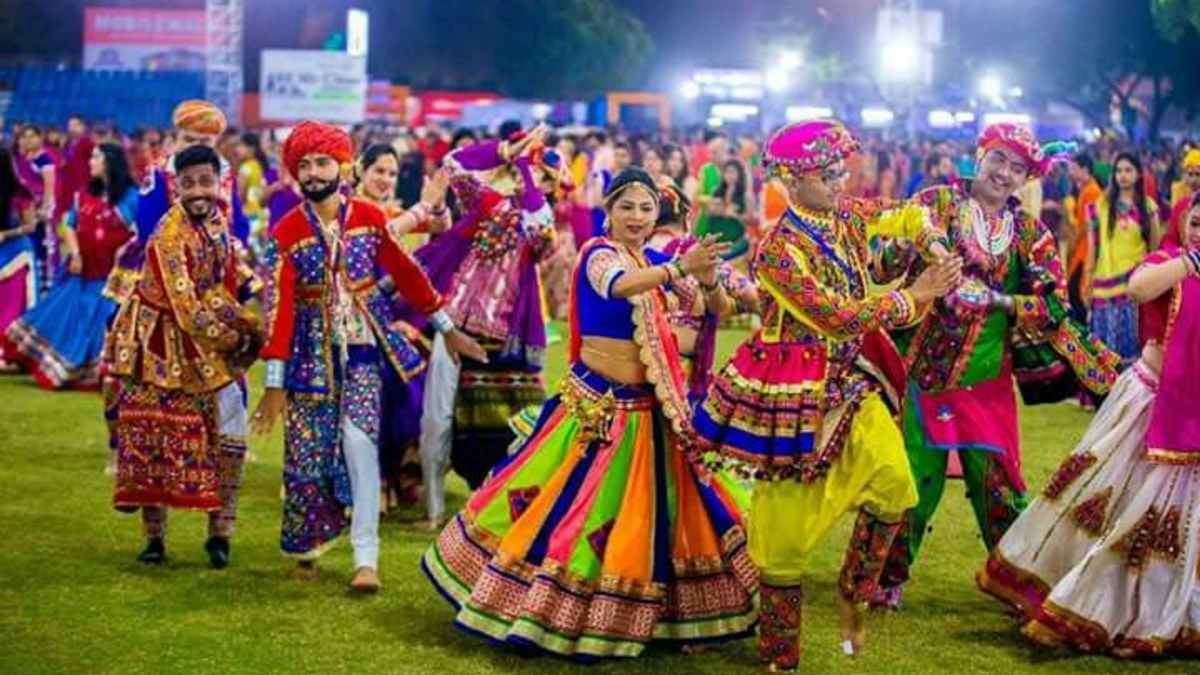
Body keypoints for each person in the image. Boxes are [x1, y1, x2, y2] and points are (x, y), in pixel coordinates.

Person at [421, 168, 757, 659]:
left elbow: (718, 308)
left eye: (646, 209)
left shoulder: (654, 259)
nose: (637, 217)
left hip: (650, 409)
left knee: (649, 519)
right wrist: (679, 269)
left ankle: (660, 618)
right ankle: (542, 608)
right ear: (609, 211)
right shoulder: (598, 254)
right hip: (599, 408)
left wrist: (707, 280)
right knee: (568, 514)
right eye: (627, 207)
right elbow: (618, 286)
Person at [694, 120, 962, 669]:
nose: (841, 182)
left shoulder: (846, 215)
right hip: (793, 393)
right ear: (793, 181)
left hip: (851, 381)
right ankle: (779, 651)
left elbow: (908, 213)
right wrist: (913, 296)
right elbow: (836, 318)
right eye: (827, 175)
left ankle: (854, 591)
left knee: (895, 485)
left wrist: (934, 245)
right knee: (784, 536)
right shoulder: (777, 252)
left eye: (841, 171)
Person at [871, 124, 1121, 609]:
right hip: (924, 373)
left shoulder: (1029, 232)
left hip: (987, 378)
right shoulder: (936, 203)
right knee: (913, 481)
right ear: (980, 155)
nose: (1004, 173)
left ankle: (1016, 582)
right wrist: (914, 242)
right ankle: (886, 577)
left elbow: (1054, 305)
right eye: (998, 159)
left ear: (1027, 177)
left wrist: (999, 300)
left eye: (1017, 168)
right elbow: (880, 265)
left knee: (1000, 485)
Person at [251, 121, 483, 592]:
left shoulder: (369, 218)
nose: (313, 173)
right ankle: (307, 548)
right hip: (309, 360)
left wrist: (448, 329)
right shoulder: (287, 231)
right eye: (304, 165)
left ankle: (366, 560)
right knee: (307, 456)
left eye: (322, 162)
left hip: (361, 353)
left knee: (360, 446)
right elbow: (280, 311)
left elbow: (410, 274)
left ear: (343, 167)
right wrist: (274, 384)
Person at [978, 198, 1200, 659]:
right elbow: (1139, 289)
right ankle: (1081, 599)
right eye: (1196, 223)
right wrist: (1192, 261)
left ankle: (1153, 616)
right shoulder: (1168, 262)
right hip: (1146, 407)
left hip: (1190, 421)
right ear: (1182, 223)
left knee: (1167, 530)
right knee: (1110, 509)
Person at [107, 145, 261, 569]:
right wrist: (236, 337)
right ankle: (154, 540)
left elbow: (225, 271)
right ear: (176, 187)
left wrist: (259, 303)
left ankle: (221, 534)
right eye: (188, 183)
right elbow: (187, 309)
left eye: (205, 182)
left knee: (230, 424)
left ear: (218, 184)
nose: (198, 191)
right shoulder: (168, 236)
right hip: (156, 344)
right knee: (152, 434)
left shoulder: (217, 221)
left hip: (202, 333)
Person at [406, 124, 560, 531]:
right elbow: (454, 164)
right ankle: (434, 509)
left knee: (507, 429)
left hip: (504, 341)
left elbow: (538, 231)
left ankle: (497, 510)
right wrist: (505, 150)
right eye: (531, 169)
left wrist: (524, 169)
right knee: (437, 418)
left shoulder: (542, 224)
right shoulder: (491, 205)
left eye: (543, 174)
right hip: (454, 326)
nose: (532, 176)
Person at [352, 142, 451, 512]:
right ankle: (373, 484)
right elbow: (384, 235)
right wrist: (421, 207)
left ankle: (400, 475)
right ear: (360, 170)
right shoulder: (349, 211)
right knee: (381, 386)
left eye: (392, 173)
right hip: (350, 321)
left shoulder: (392, 212)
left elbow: (442, 227)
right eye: (378, 171)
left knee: (415, 383)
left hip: (386, 321)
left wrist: (437, 203)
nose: (386, 179)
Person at [3, 143, 137, 389]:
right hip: (82, 271)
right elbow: (70, 225)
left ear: (110, 161)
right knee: (67, 317)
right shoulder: (84, 193)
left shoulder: (131, 197)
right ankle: (59, 366)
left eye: (96, 157)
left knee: (101, 321)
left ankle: (92, 369)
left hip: (113, 278)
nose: (91, 162)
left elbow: (140, 234)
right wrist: (74, 253)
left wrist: (126, 251)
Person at [1087, 152, 1161, 368]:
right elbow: (1094, 248)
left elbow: (1154, 251)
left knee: (1130, 353)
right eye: (1118, 170)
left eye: (1128, 170)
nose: (1123, 175)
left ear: (1138, 175)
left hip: (1133, 289)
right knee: (1103, 354)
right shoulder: (1101, 206)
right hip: (1103, 287)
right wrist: (1088, 282)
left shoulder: (1148, 208)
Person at [0, 147, 37, 370]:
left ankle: (13, 353)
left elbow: (30, 226)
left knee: (12, 306)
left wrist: (6, 234)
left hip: (16, 257)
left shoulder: (19, 194)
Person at [14, 125, 59, 296]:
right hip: (23, 210)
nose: (28, 140)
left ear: (40, 138)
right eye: (25, 137)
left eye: (32, 136)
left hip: (40, 210)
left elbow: (49, 187)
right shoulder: (20, 159)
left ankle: (46, 284)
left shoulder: (44, 160)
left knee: (43, 246)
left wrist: (44, 210)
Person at [1065, 152, 1104, 319]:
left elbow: (1088, 225)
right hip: (1083, 246)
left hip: (1086, 248)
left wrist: (1074, 242)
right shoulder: (1085, 189)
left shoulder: (1091, 192)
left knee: (1076, 291)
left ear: (1085, 169)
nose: (1070, 172)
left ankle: (1081, 328)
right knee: (1074, 290)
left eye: (1074, 169)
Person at [697, 159, 754, 262]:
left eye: (733, 172)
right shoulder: (716, 191)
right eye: (727, 172)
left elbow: (750, 220)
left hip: (735, 242)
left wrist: (735, 215)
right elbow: (708, 213)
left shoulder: (746, 196)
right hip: (715, 239)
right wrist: (718, 210)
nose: (729, 175)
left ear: (739, 174)